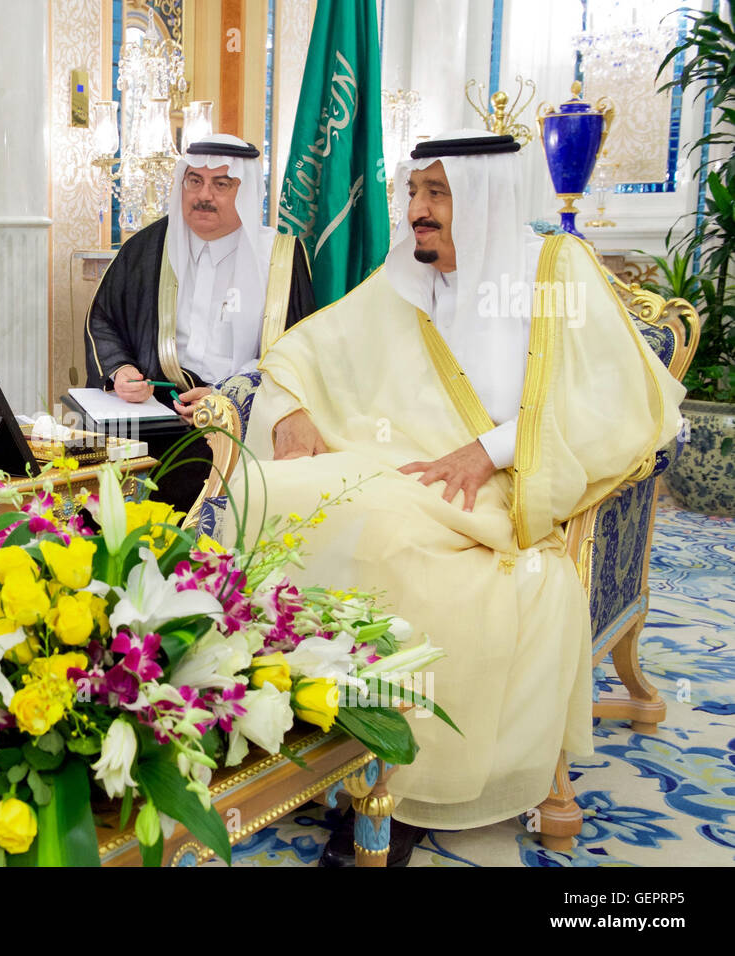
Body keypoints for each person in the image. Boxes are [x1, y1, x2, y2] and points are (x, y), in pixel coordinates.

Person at [227, 130, 685, 866]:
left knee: (390, 545)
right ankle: (290, 729)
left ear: (483, 197)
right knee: (266, 495)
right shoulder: (407, 270)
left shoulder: (552, 270)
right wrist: (290, 412)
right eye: (412, 192)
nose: (418, 211)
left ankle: (396, 785)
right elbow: (306, 349)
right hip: (398, 460)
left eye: (437, 193)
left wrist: (488, 451)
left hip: (511, 483)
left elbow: (611, 400)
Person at [84, 134, 317, 512]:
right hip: (158, 414)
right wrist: (120, 369)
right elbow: (104, 319)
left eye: (221, 184)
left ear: (244, 190)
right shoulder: (147, 248)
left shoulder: (281, 259)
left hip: (244, 420)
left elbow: (299, 355)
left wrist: (227, 396)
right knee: (87, 485)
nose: (203, 194)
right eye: (194, 181)